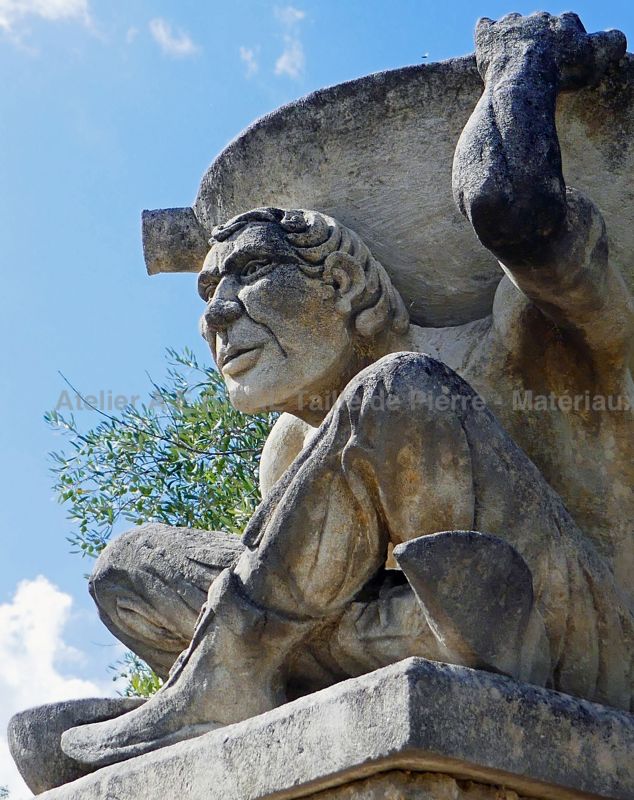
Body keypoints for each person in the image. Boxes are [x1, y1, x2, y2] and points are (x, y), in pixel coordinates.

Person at [62, 12, 633, 769]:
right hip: (425, 622)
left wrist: (519, 65)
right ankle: (243, 679)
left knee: (398, 393)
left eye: (251, 272)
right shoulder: (291, 451)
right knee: (128, 566)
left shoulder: (521, 341)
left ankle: (228, 670)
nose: (217, 314)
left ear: (341, 280)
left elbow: (513, 207)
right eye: (207, 290)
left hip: (575, 637)